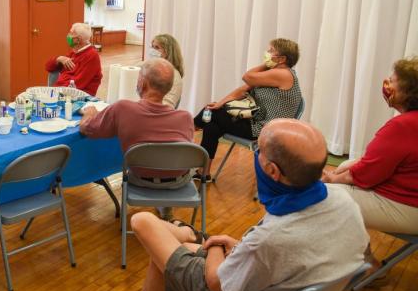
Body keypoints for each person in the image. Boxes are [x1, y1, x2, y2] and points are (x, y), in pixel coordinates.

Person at [99, 119, 368, 291]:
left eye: (258, 150)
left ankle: (185, 237)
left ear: (272, 171)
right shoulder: (344, 204)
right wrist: (239, 246)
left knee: (144, 221)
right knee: (166, 249)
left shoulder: (271, 238)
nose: (256, 155)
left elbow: (216, 283)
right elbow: (296, 256)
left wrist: (216, 244)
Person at [324, 56, 418, 276]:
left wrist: (332, 179)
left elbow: (367, 175)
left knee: (326, 196)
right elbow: (377, 163)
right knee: (347, 165)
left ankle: (366, 266)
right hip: (410, 196)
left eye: (392, 81)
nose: (387, 84)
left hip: (410, 206)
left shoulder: (402, 126)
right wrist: (342, 173)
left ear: (407, 92)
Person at [193, 38, 302, 180]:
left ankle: (189, 129)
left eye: (271, 51)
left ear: (282, 59)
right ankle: (203, 173)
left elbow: (247, 77)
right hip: (254, 122)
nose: (267, 53)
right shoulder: (273, 73)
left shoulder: (283, 74)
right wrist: (220, 103)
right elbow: (242, 90)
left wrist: (266, 64)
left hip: (266, 130)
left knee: (211, 114)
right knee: (211, 125)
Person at [81, 59, 194, 190]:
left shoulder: (122, 108)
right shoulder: (186, 118)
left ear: (142, 83)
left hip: (140, 180)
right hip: (178, 183)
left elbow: (87, 128)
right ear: (168, 88)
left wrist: (89, 114)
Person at [45, 22, 102, 96]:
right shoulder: (74, 52)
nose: (68, 35)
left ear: (78, 40)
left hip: (78, 96)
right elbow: (48, 67)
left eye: (71, 33)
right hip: (62, 91)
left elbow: (77, 84)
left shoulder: (92, 55)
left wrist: (55, 90)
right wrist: (58, 59)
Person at [149, 34, 185, 108]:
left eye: (157, 47)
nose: (152, 50)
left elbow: (167, 106)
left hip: (156, 112)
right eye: (152, 47)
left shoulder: (174, 77)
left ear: (168, 52)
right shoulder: (152, 67)